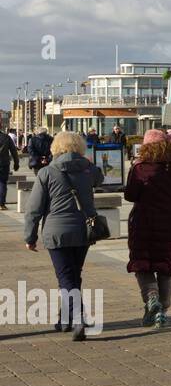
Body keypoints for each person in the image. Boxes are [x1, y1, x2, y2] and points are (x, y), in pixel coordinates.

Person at [22, 131, 103, 339]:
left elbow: (34, 209)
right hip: (84, 230)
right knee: (74, 275)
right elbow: (101, 178)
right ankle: (65, 319)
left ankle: (77, 319)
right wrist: (88, 164)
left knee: (66, 276)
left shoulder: (46, 172)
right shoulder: (88, 169)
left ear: (55, 148)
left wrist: (30, 237)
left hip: (56, 232)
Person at [125, 129, 171, 329]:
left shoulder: (140, 169)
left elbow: (130, 195)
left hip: (144, 224)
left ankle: (151, 298)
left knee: (144, 264)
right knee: (166, 267)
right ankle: (162, 311)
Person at [0, 126, 19, 210]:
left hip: (4, 164)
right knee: (2, 183)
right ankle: (1, 204)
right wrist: (16, 163)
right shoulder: (6, 137)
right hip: (4, 164)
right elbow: (14, 151)